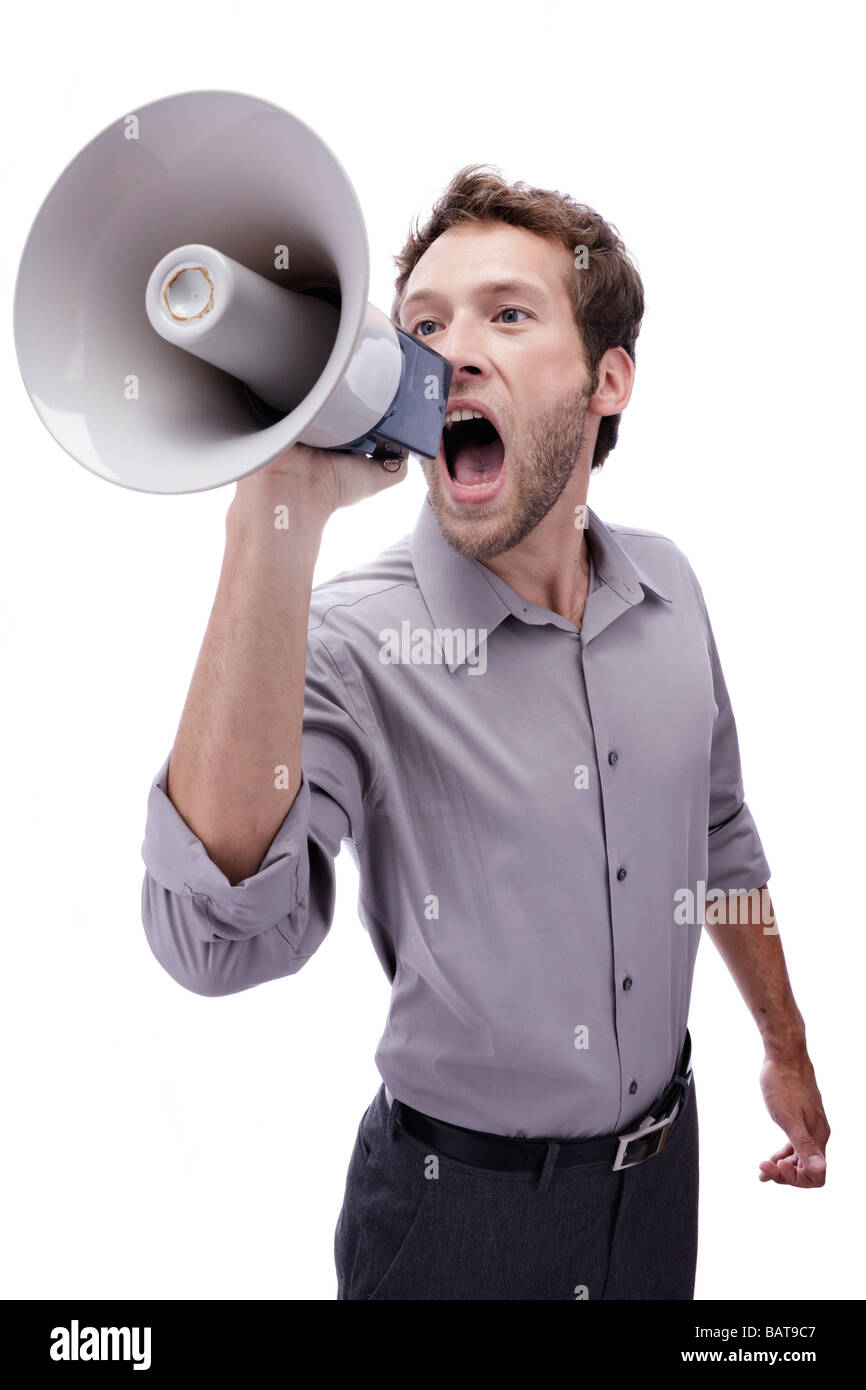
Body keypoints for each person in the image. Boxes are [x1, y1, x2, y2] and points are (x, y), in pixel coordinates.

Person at [140, 167, 829, 1301]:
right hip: (452, 1222)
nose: (449, 349)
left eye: (507, 313)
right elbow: (217, 941)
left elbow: (719, 837)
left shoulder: (670, 586)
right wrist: (275, 506)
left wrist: (784, 1042)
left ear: (607, 380)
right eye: (423, 324)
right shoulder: (344, 645)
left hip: (661, 1184)